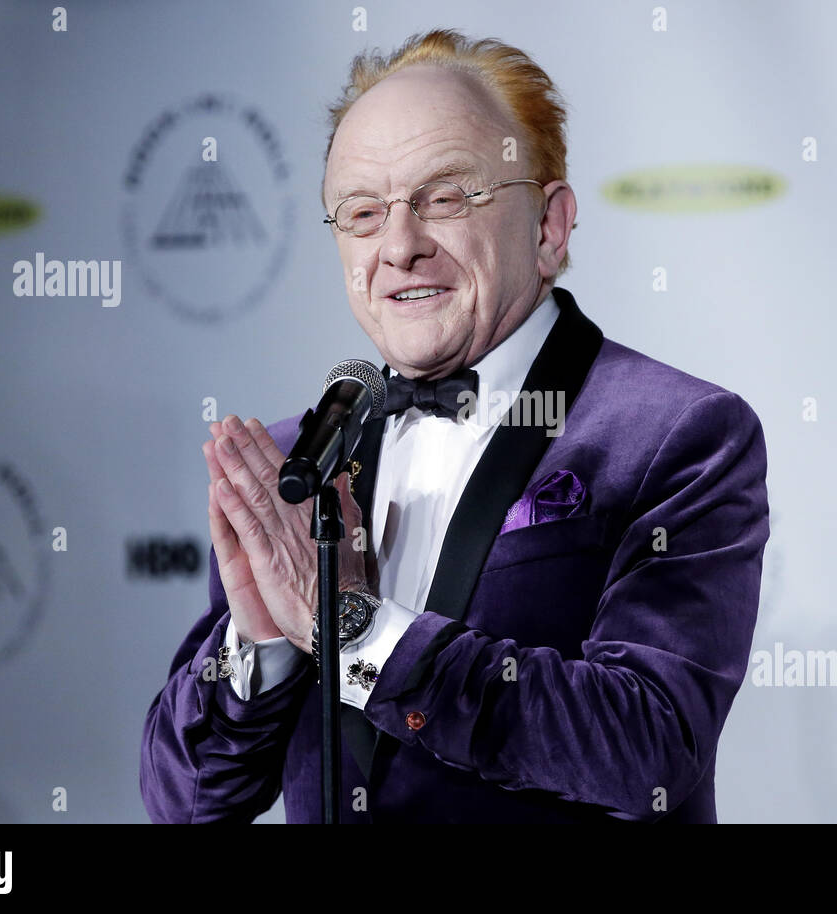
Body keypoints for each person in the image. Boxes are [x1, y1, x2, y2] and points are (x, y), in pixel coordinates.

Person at [139, 28, 769, 823]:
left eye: (446, 198)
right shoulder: (295, 462)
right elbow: (189, 801)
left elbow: (648, 749)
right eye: (362, 213)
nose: (399, 246)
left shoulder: (673, 433)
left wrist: (353, 632)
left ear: (549, 226)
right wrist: (262, 646)